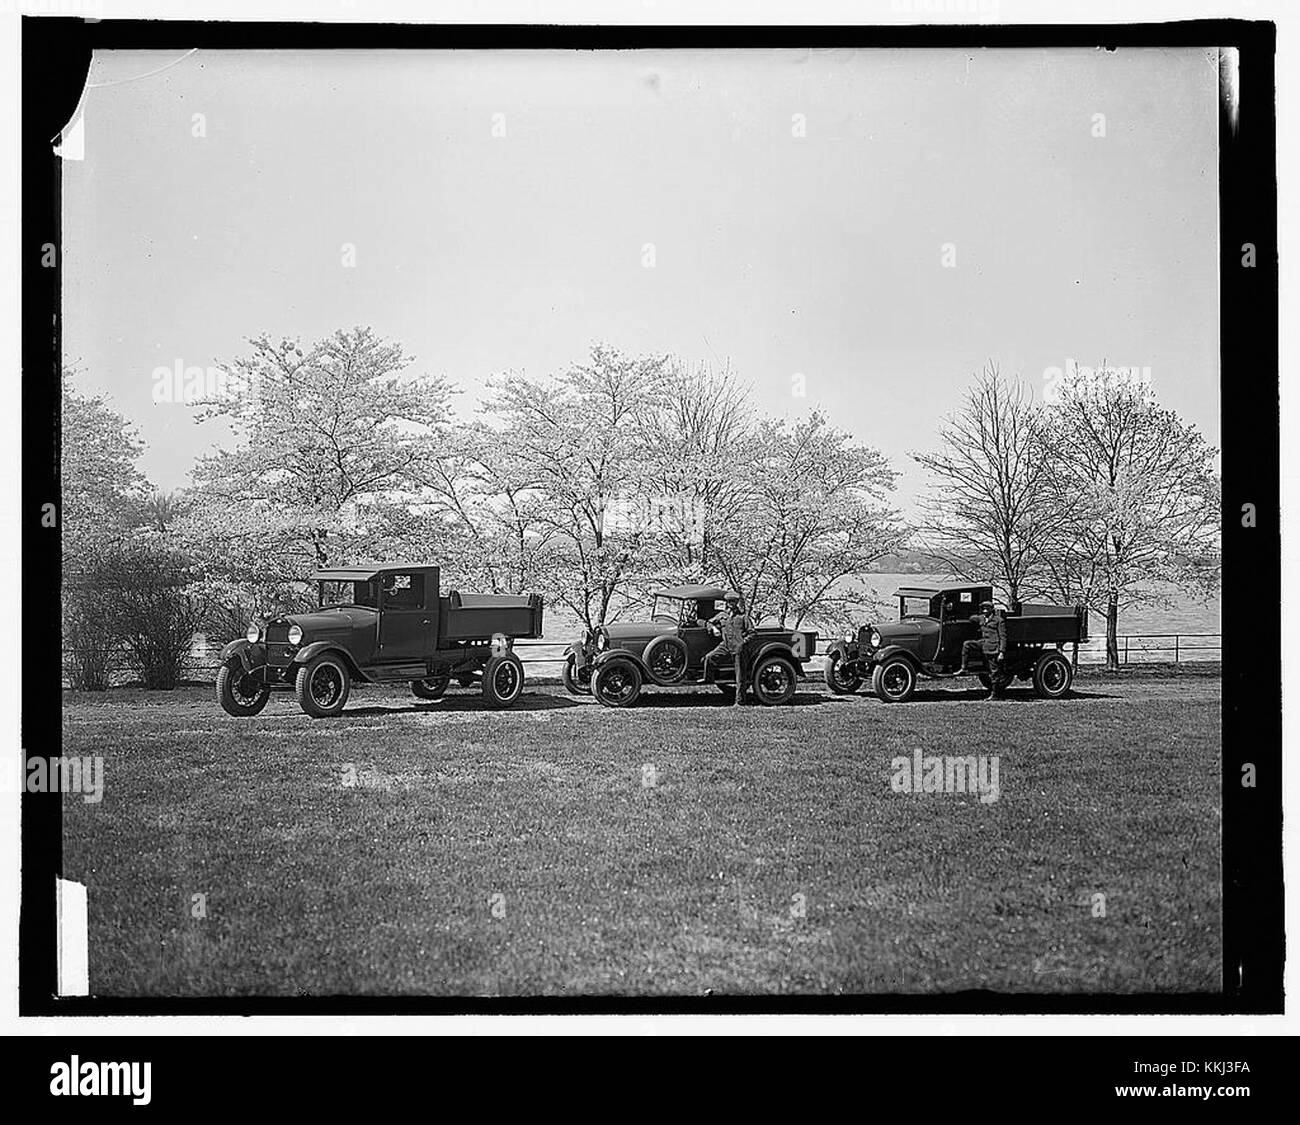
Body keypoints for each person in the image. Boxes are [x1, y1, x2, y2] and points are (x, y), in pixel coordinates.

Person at [701, 592, 753, 706]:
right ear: (726, 603)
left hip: (738, 648)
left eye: (733, 602)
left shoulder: (743, 617)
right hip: (725, 645)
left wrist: (742, 643)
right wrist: (714, 628)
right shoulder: (722, 616)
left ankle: (740, 702)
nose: (731, 604)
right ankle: (709, 679)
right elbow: (709, 622)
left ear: (736, 603)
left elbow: (752, 633)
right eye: (729, 602)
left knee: (740, 676)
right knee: (709, 658)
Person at [959, 599, 1008, 698]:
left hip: (993, 647)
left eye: (987, 609)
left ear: (992, 610)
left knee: (994, 671)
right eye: (983, 609)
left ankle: (995, 694)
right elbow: (972, 618)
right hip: (983, 644)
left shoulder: (998, 620)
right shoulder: (981, 618)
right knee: (967, 644)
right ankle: (963, 667)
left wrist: (1001, 652)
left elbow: (1003, 637)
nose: (985, 611)